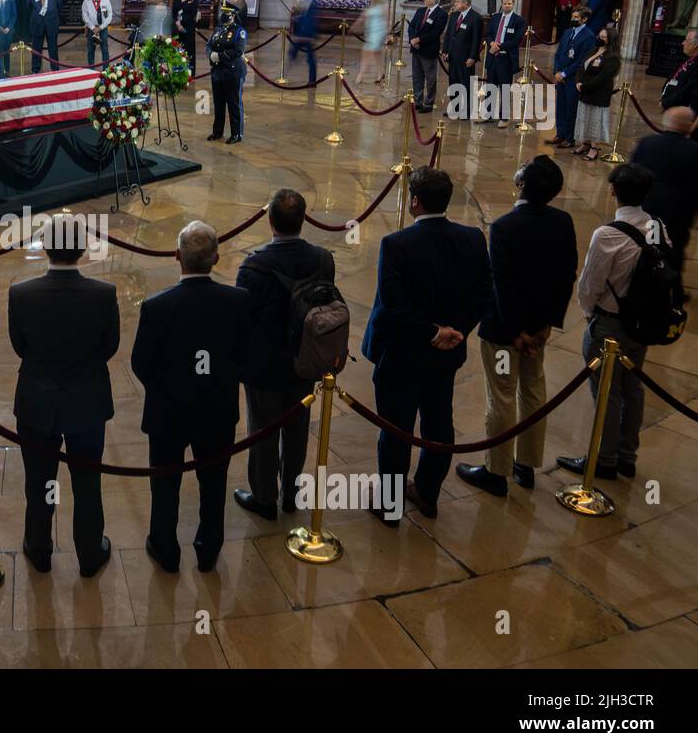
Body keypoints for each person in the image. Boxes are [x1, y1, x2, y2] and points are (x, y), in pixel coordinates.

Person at [361, 167, 493, 526]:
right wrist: (456, 330)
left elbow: (393, 305)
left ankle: (390, 507)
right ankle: (428, 493)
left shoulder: (396, 245)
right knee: (439, 423)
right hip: (446, 355)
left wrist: (431, 331)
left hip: (401, 354)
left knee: (396, 430)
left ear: (415, 202)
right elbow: (484, 294)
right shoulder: (473, 239)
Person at [132, 221, 256, 573]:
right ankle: (207, 549)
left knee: (165, 484)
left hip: (168, 413)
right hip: (217, 410)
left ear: (177, 257)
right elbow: (243, 356)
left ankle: (165, 548)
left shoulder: (157, 307)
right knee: (214, 483)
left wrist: (168, 389)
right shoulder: (237, 301)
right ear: (216, 258)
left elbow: (141, 363)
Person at [456, 157, 576, 496]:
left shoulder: (506, 227)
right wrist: (547, 325)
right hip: (538, 329)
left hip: (505, 333)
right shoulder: (562, 222)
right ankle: (526, 463)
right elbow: (566, 276)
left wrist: (515, 331)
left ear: (522, 185)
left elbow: (502, 286)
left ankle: (497, 471)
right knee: (534, 390)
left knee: (502, 397)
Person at [9, 214, 117, 577]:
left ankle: (38, 547)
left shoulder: (21, 294)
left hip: (38, 401)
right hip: (86, 399)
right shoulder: (103, 295)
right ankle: (89, 552)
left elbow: (20, 346)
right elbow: (109, 346)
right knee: (88, 483)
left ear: (46, 248)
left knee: (39, 481)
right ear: (83, 249)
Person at [558, 164, 665, 481]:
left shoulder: (608, 234)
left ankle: (603, 460)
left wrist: (590, 313)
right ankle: (627, 455)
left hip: (610, 322)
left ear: (613, 191)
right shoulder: (658, 227)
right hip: (642, 323)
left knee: (607, 391)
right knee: (633, 387)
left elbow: (590, 284)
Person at [233, 189, 331, 518]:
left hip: (264, 366)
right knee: (297, 426)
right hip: (304, 361)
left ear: (269, 220)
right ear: (303, 220)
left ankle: (264, 497)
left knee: (262, 431)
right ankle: (291, 492)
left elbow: (241, 320)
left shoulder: (253, 266)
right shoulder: (322, 259)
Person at [630, 107, 698, 267]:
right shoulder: (695, 150)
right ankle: (674, 286)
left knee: (652, 245)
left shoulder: (647, 142)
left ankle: (649, 277)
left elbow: (632, 171)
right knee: (675, 248)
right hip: (679, 212)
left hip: (650, 207)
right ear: (688, 125)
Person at [547, 5, 596, 149]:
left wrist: (564, 73)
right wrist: (557, 71)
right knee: (560, 106)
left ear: (584, 19)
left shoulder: (589, 36)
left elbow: (582, 60)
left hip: (573, 78)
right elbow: (559, 53)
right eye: (572, 17)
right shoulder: (568, 32)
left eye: (576, 18)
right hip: (560, 76)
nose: (573, 19)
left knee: (571, 108)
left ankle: (570, 137)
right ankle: (560, 133)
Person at [573, 25, 621, 161]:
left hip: (598, 94)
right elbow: (581, 68)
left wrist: (585, 86)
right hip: (584, 91)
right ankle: (585, 143)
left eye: (603, 37)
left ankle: (594, 148)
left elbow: (602, 78)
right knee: (584, 119)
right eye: (599, 36)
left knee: (595, 121)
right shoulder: (594, 50)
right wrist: (578, 82)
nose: (599, 39)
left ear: (610, 40)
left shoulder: (612, 57)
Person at [205, 2, 247, 144]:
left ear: (233, 15)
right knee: (219, 103)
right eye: (222, 12)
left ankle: (237, 134)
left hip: (233, 71)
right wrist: (211, 54)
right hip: (218, 71)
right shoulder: (218, 30)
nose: (222, 15)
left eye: (226, 12)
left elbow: (238, 50)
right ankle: (217, 131)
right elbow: (209, 45)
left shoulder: (239, 31)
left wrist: (220, 56)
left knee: (234, 103)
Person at [484, 0, 524, 127]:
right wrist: (491, 43)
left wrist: (499, 46)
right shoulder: (495, 18)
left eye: (509, 3)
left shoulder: (519, 20)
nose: (506, 5)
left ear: (513, 4)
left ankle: (504, 118)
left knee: (505, 89)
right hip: (492, 56)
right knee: (490, 87)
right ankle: (488, 114)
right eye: (504, 3)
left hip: (506, 59)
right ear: (501, 4)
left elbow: (516, 40)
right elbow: (488, 34)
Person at [441, 0, 482, 121]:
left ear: (465, 3)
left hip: (466, 58)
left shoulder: (476, 18)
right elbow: (448, 34)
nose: (455, 3)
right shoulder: (454, 15)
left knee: (466, 85)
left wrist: (473, 57)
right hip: (453, 56)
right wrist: (445, 50)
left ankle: (467, 111)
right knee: (454, 83)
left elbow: (477, 40)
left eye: (457, 1)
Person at [408, 0, 447, 114]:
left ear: (434, 0)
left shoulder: (441, 14)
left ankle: (429, 102)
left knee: (430, 78)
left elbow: (436, 32)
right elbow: (412, 26)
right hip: (416, 48)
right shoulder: (420, 11)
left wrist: (419, 39)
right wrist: (412, 39)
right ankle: (418, 100)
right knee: (416, 76)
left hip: (428, 49)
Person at [659, 28, 698, 122]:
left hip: (679, 112)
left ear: (695, 44)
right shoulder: (690, 59)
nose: (683, 43)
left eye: (686, 40)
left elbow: (686, 89)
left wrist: (666, 103)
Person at [27, 0, 61, 73]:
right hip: (37, 25)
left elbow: (59, 8)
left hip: (52, 25)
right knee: (36, 49)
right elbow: (29, 8)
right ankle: (35, 70)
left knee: (53, 49)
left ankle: (55, 69)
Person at [289, 0, 319, 85]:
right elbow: (298, 17)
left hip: (307, 35)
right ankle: (287, 69)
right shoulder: (300, 1)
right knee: (292, 53)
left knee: (311, 59)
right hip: (300, 33)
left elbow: (311, 20)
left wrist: (311, 35)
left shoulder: (313, 1)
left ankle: (312, 81)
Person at [358, 0, 388, 85]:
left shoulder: (384, 6)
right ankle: (380, 73)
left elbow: (387, 21)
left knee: (370, 53)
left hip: (379, 33)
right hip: (370, 32)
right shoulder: (369, 7)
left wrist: (386, 34)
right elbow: (362, 18)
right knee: (375, 54)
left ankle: (361, 75)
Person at [81, 0, 113, 66]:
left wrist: (101, 27)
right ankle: (91, 69)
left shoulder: (106, 1)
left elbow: (109, 16)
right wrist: (92, 27)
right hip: (91, 29)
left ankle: (105, 69)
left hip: (102, 29)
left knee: (105, 49)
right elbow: (85, 17)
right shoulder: (86, 2)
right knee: (91, 50)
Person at [172, 0, 199, 70]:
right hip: (177, 28)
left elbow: (192, 15)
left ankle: (189, 70)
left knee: (188, 49)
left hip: (188, 28)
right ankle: (177, 69)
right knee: (177, 47)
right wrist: (177, 22)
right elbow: (173, 12)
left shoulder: (194, 1)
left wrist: (181, 23)